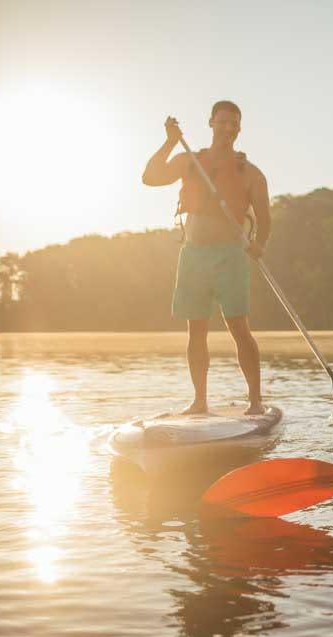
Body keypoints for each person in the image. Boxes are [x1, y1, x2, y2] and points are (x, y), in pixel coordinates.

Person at [142, 101, 271, 415]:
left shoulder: (252, 174)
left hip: (231, 256)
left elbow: (265, 219)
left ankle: (255, 401)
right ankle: (200, 401)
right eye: (222, 122)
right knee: (195, 330)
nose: (228, 128)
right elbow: (150, 177)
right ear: (211, 123)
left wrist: (259, 243)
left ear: (239, 128)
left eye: (233, 124)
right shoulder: (190, 161)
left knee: (239, 328)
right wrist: (171, 141)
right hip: (194, 256)